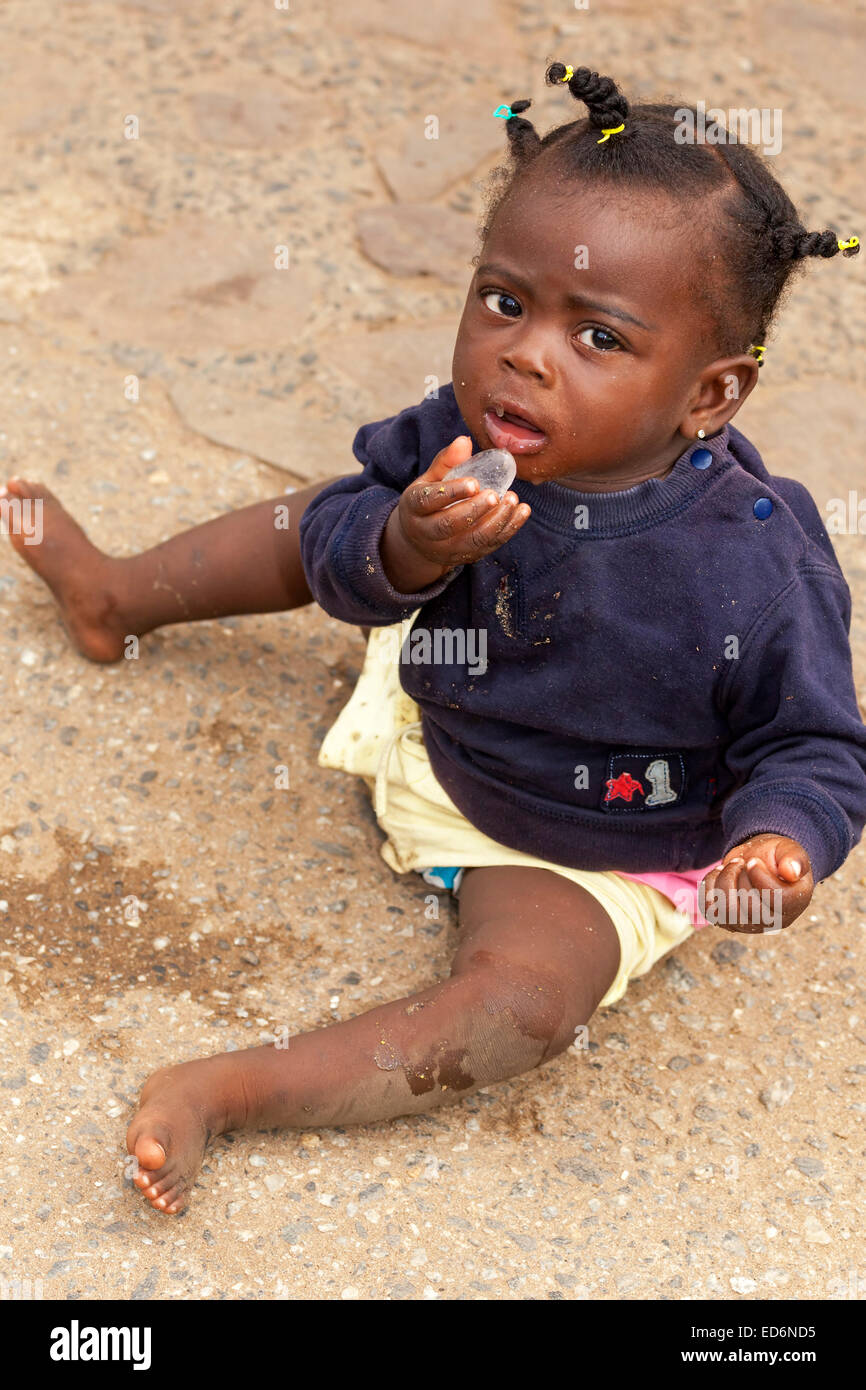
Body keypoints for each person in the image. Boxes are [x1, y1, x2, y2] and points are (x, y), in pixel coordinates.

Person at [4, 63, 863, 1215]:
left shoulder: (756, 558)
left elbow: (813, 747)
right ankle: (115, 592)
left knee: (526, 1005)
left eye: (597, 337)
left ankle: (228, 1089)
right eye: (504, 301)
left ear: (709, 394)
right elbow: (351, 558)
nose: (525, 354)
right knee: (318, 519)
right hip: (443, 711)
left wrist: (777, 847)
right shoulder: (458, 433)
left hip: (581, 840)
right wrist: (406, 544)